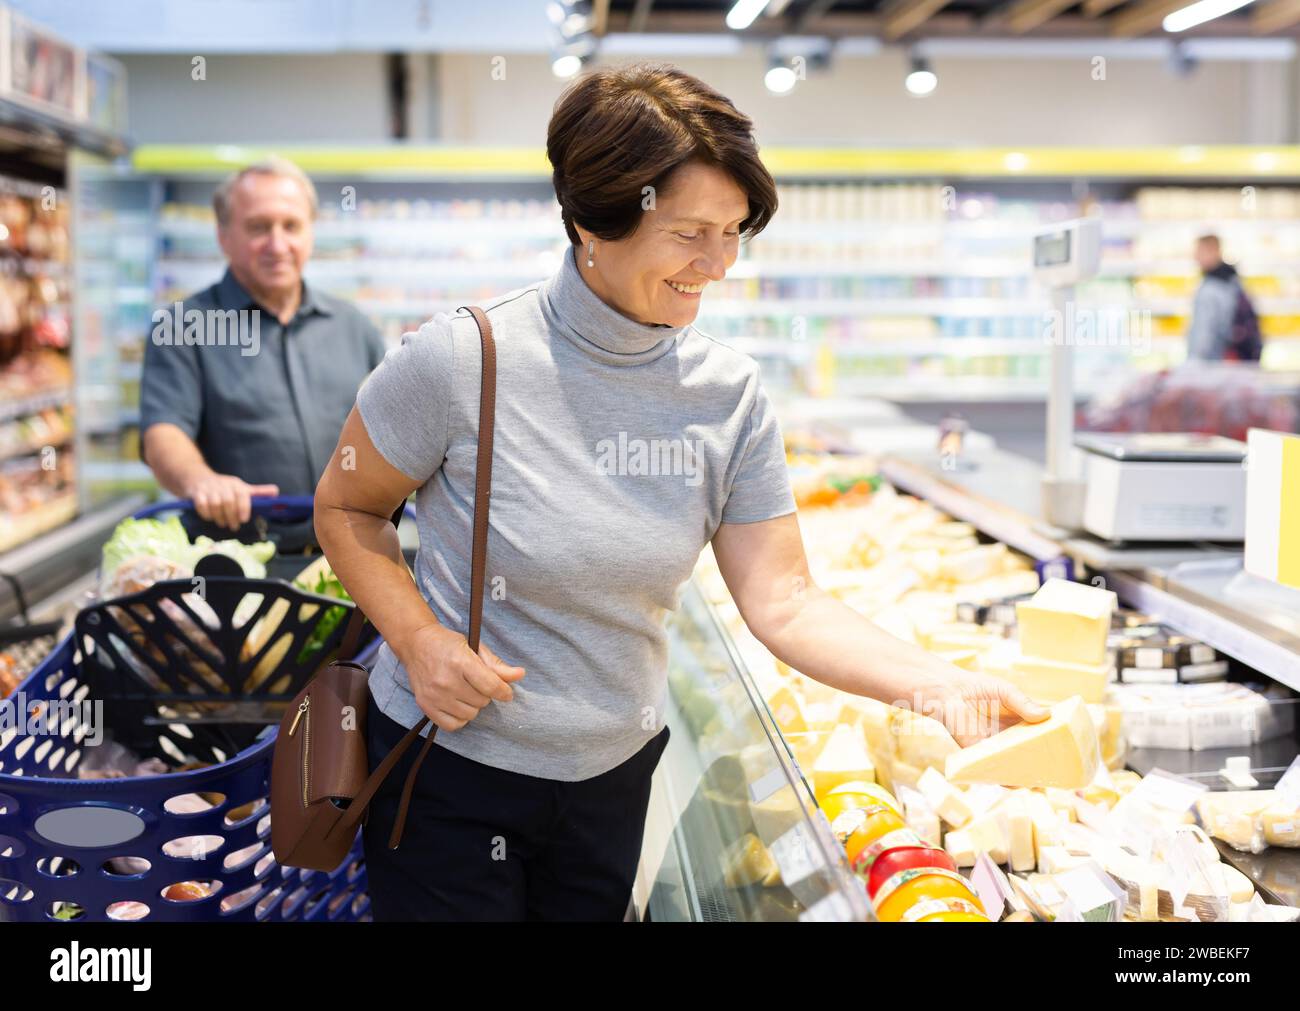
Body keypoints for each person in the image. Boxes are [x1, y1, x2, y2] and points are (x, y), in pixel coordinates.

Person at [313, 62, 1047, 923]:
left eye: (734, 231)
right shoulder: (461, 361)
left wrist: (941, 685)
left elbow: (788, 600)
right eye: (692, 232)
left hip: (612, 783)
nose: (719, 264)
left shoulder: (727, 395)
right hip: (449, 779)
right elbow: (347, 506)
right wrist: (421, 638)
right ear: (595, 217)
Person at [140, 157, 386, 540]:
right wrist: (202, 481)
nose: (277, 244)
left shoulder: (353, 326)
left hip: (348, 558)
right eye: (258, 227)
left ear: (311, 232)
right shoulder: (184, 326)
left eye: (291, 226)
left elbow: (390, 423)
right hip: (236, 563)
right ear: (224, 236)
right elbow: (163, 432)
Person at [1187, 233, 1262, 363]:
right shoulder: (1233, 281)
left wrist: (1194, 363)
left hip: (1215, 364)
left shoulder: (1212, 288)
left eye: (1200, 252)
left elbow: (1204, 333)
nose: (1195, 257)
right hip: (1233, 361)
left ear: (1214, 251)